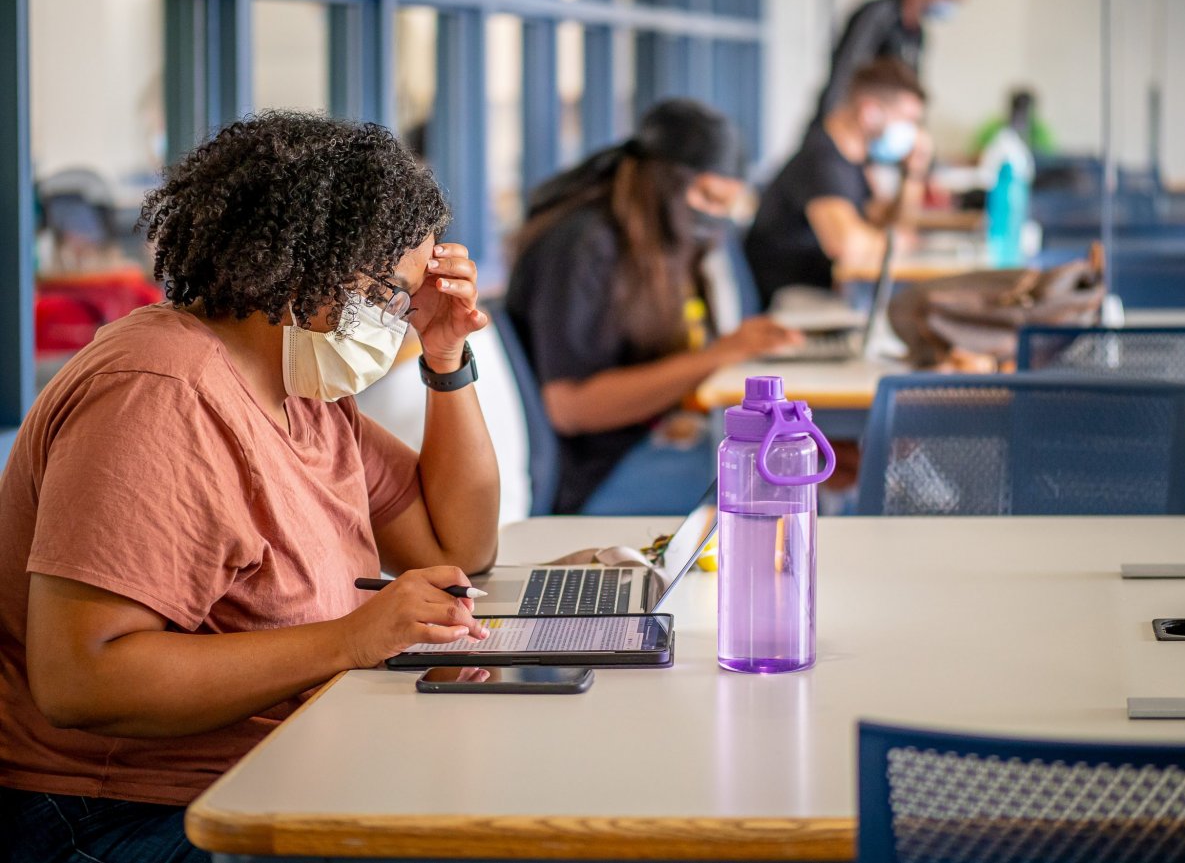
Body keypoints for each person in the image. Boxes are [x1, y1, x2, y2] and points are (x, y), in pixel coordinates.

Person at [0, 112, 498, 862]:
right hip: (118, 813)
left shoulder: (304, 393)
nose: (400, 318)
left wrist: (444, 350)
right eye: (394, 296)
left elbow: (462, 544)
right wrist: (352, 639)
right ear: (317, 268)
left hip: (272, 771)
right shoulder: (159, 390)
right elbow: (81, 678)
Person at [505, 99, 802, 515]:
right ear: (661, 180)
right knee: (764, 475)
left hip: (645, 441)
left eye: (726, 205)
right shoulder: (583, 246)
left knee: (785, 461)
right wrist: (720, 354)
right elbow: (569, 407)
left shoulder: (656, 239)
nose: (715, 218)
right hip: (593, 477)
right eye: (707, 197)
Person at [746, 58, 931, 309]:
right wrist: (897, 241)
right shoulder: (821, 159)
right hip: (795, 294)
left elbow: (887, 221)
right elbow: (845, 245)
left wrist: (913, 173)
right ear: (870, 112)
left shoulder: (854, 158)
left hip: (833, 285)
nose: (913, 132)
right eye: (907, 120)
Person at [810, 0, 978, 125]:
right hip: (846, 132)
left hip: (879, 134)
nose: (951, 4)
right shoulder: (877, 16)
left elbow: (911, 96)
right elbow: (843, 81)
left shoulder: (918, 35)